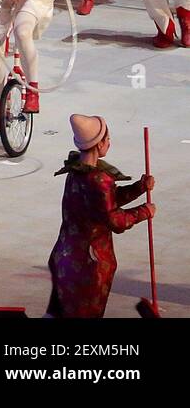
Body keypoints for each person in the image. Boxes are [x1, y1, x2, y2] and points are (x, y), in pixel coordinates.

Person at [46, 114, 155, 318]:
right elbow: (114, 220)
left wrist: (140, 188)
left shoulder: (75, 172)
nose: (109, 142)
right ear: (98, 144)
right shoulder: (99, 179)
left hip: (64, 257)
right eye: (107, 138)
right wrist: (144, 212)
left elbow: (102, 204)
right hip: (88, 265)